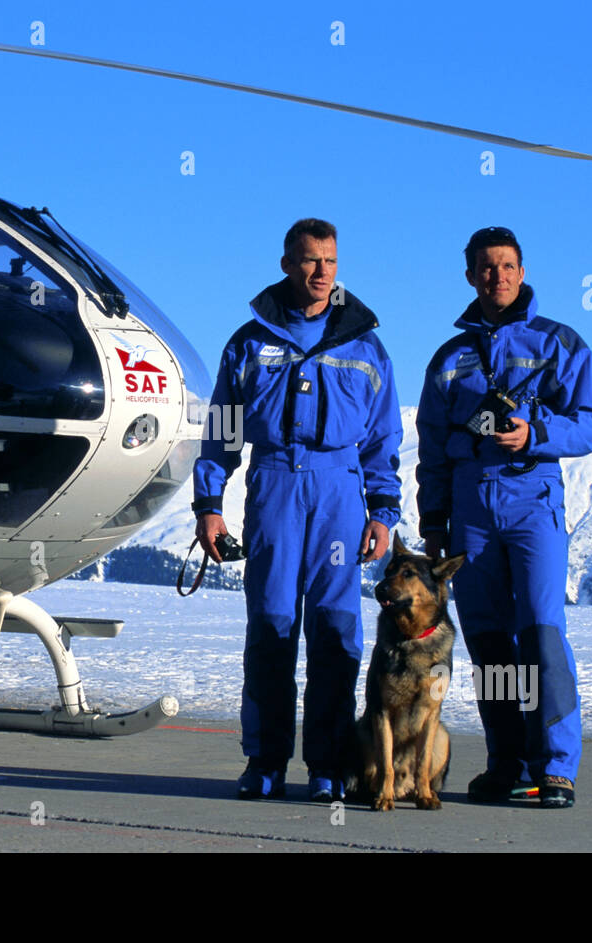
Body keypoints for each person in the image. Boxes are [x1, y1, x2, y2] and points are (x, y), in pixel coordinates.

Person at [193, 218, 403, 802]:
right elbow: (223, 430)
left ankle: (329, 766)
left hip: (340, 492)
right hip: (275, 485)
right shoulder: (248, 341)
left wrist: (383, 513)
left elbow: (383, 442)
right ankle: (264, 762)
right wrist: (210, 505)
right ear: (287, 263)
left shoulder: (366, 346)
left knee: (336, 631)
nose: (321, 272)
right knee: (271, 627)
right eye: (310, 260)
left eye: (330, 261)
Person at [415, 226, 592, 809]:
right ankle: (508, 761)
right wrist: (434, 521)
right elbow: (431, 446)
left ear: (522, 273)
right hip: (471, 507)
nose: (496, 276)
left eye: (506, 267)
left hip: (533, 498)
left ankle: (555, 766)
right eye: (485, 267)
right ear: (470, 274)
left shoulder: (561, 344)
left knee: (541, 630)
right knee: (487, 640)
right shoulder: (449, 360)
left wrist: (538, 432)